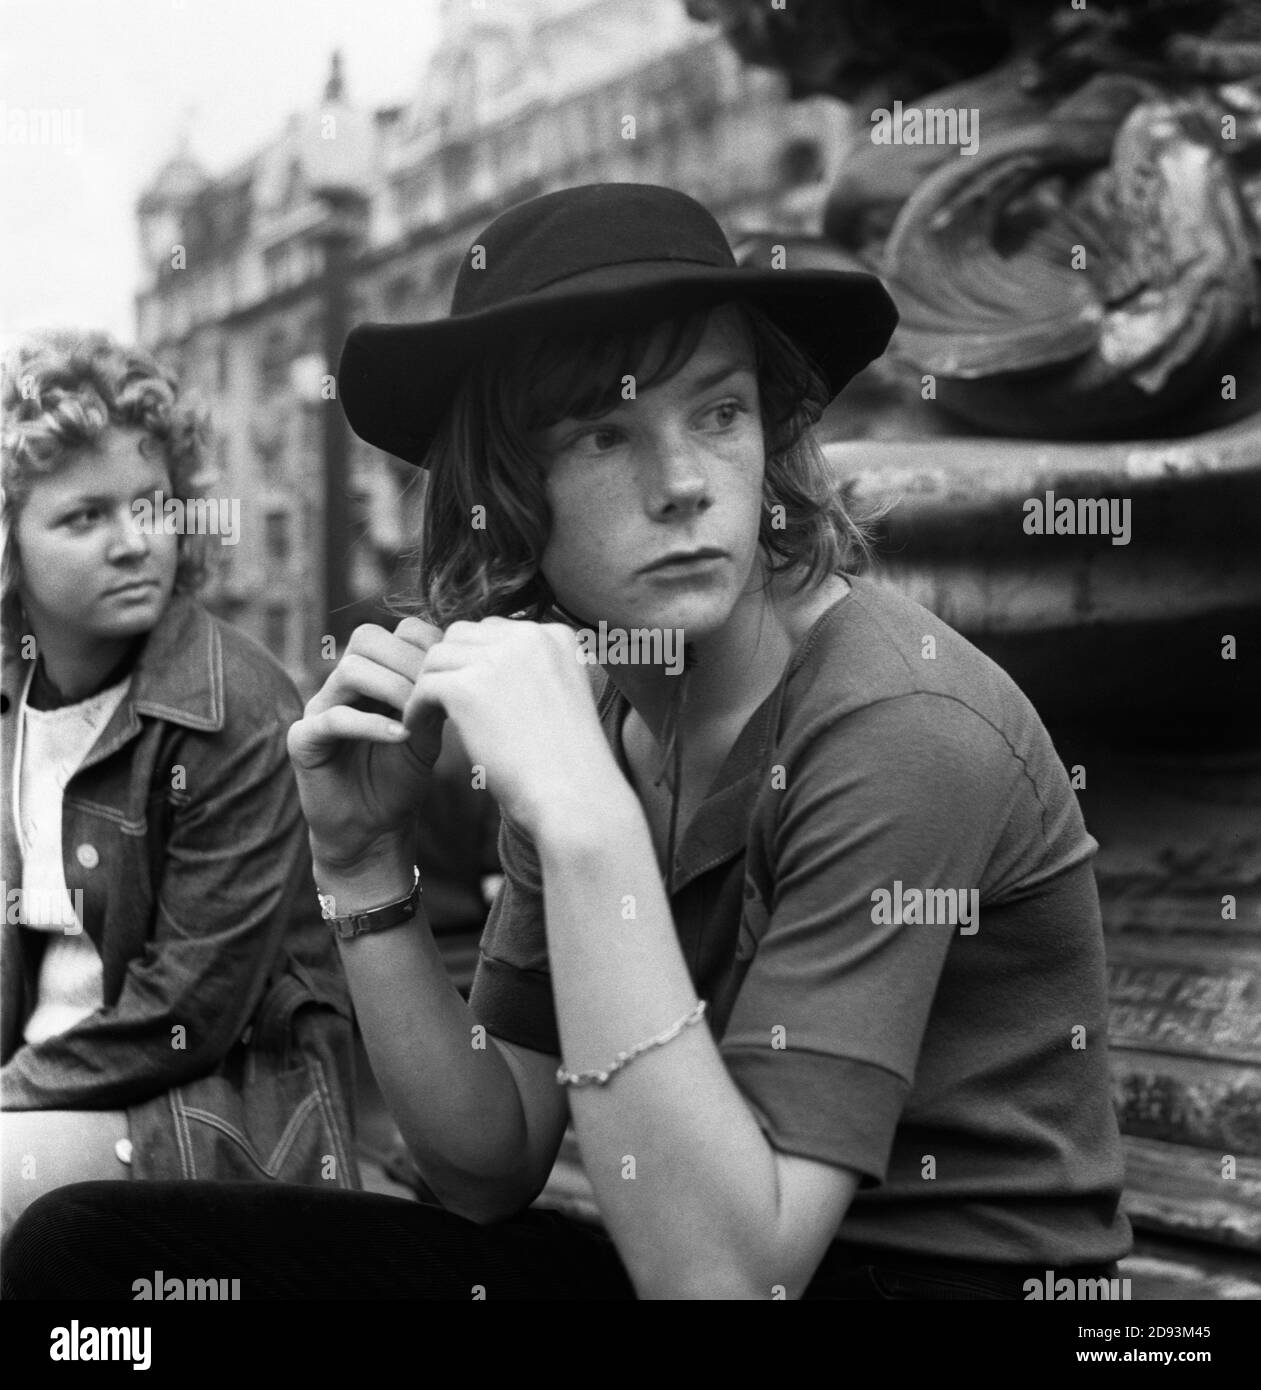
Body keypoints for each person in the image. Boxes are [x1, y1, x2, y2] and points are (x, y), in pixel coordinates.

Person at [3, 186, 1130, 1299]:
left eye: (720, 413)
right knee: (90, 1250)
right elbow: (491, 1161)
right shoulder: (601, 711)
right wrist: (359, 866)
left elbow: (721, 1283)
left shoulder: (897, 724)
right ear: (506, 490)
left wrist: (586, 818)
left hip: (914, 1286)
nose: (684, 484)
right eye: (603, 432)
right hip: (690, 1242)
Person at [0, 332, 359, 1240]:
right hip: (43, 1094)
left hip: (206, 1119)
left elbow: (184, 1012)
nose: (136, 543)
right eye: (85, 517)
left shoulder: (232, 704)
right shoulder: (13, 699)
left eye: (153, 505)